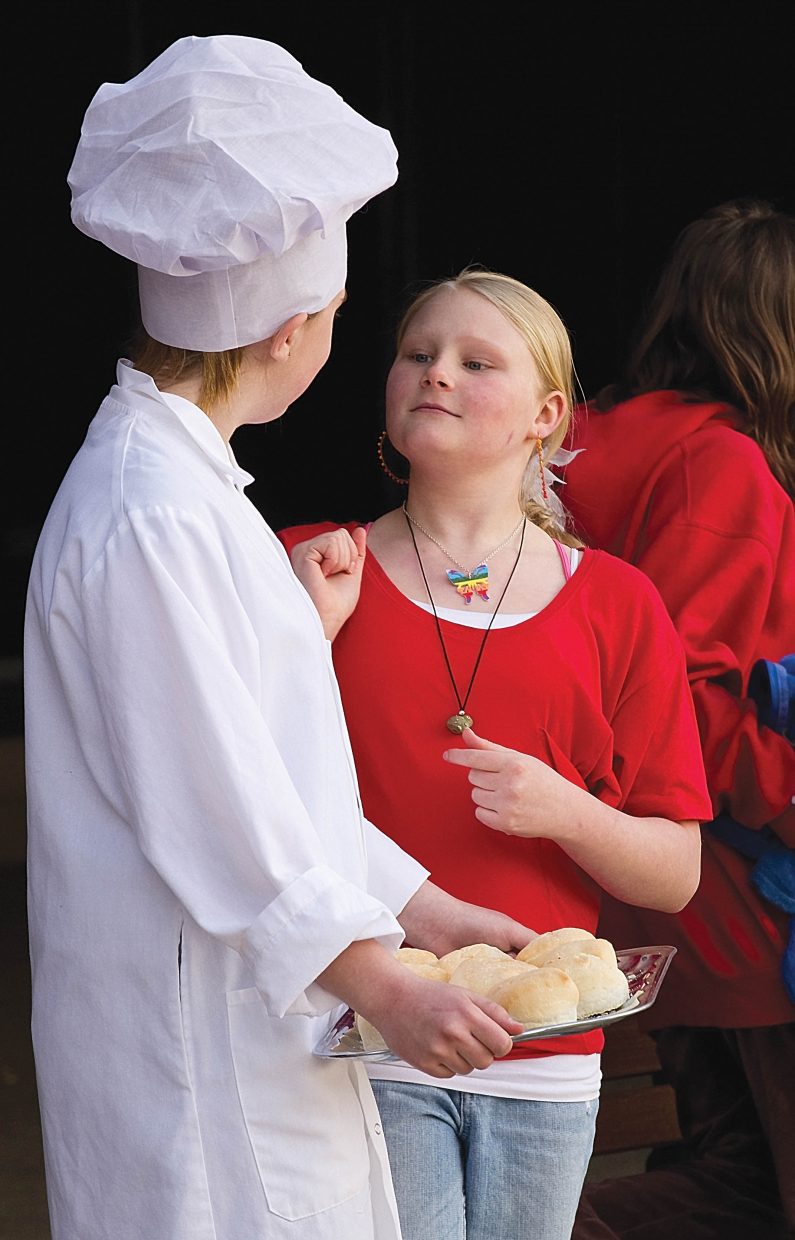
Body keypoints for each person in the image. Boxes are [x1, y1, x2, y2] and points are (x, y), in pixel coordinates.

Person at [24, 38, 540, 1240]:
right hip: (198, 1060)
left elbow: (275, 775)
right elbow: (217, 805)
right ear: (295, 326)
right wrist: (381, 981)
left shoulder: (190, 492)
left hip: (256, 1035)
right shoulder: (150, 513)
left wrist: (429, 914)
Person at [278, 267, 710, 1240]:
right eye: (417, 354)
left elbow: (676, 871)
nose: (436, 375)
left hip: (548, 1051)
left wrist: (568, 809)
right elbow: (241, 793)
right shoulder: (308, 567)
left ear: (546, 415)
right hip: (360, 1036)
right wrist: (299, 639)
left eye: (477, 361)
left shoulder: (619, 603)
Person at [556, 199, 795, 1240]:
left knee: (735, 1173)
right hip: (733, 892)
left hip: (668, 883)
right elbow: (684, 698)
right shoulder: (717, 461)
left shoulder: (609, 439)